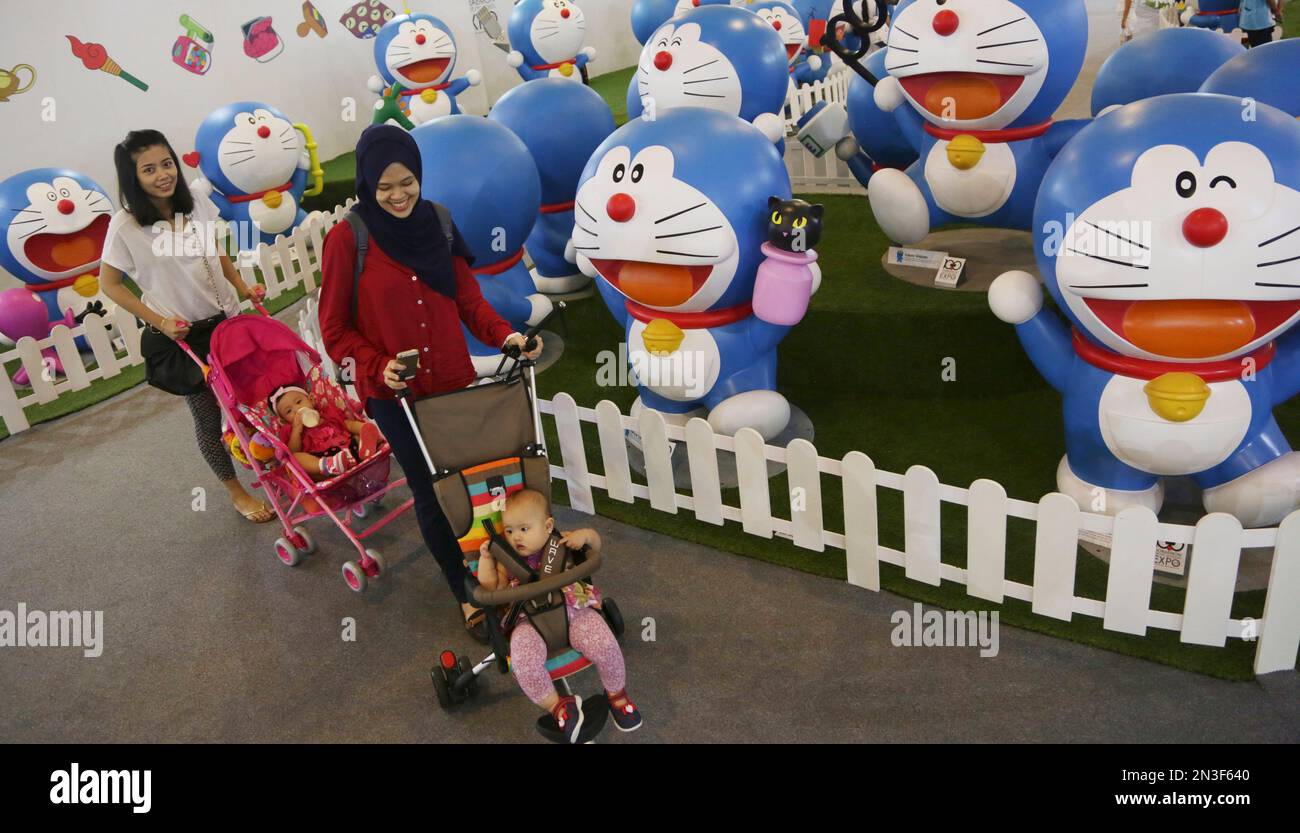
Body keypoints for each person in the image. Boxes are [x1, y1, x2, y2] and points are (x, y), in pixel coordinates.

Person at [318, 124, 542, 642]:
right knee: (432, 489)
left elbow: (469, 301)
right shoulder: (347, 239)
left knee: (476, 480)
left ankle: (496, 567)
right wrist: (377, 366)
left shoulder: (439, 223)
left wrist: (506, 336)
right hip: (394, 394)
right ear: (367, 186)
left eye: (407, 183)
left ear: (419, 176)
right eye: (384, 187)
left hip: (450, 380)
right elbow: (334, 330)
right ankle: (463, 589)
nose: (398, 196)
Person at [99, 129, 274, 523]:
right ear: (133, 177)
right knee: (209, 416)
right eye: (149, 169)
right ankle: (235, 491)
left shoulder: (193, 202)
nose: (163, 174)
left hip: (227, 321)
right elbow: (108, 285)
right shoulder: (125, 226)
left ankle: (275, 465)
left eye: (166, 164)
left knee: (258, 398)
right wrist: (159, 321)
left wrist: (242, 287)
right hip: (184, 339)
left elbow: (215, 252)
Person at [477, 489, 642, 743]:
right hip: (527, 619)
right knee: (524, 664)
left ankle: (617, 693)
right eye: (509, 531)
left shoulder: (562, 542)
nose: (515, 537)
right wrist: (487, 559)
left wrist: (586, 535)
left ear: (547, 526)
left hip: (572, 610)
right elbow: (491, 587)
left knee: (606, 644)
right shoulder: (506, 560)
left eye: (523, 529)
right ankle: (557, 705)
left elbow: (595, 546)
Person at [268, 384, 383, 479]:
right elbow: (292, 451)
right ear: (284, 421)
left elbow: (347, 425)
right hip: (324, 465)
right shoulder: (293, 432)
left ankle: (368, 441)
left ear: (311, 400)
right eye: (289, 411)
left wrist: (361, 428)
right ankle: (330, 465)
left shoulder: (328, 414)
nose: (297, 410)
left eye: (299, 402)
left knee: (352, 428)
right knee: (296, 457)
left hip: (351, 449)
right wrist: (296, 430)